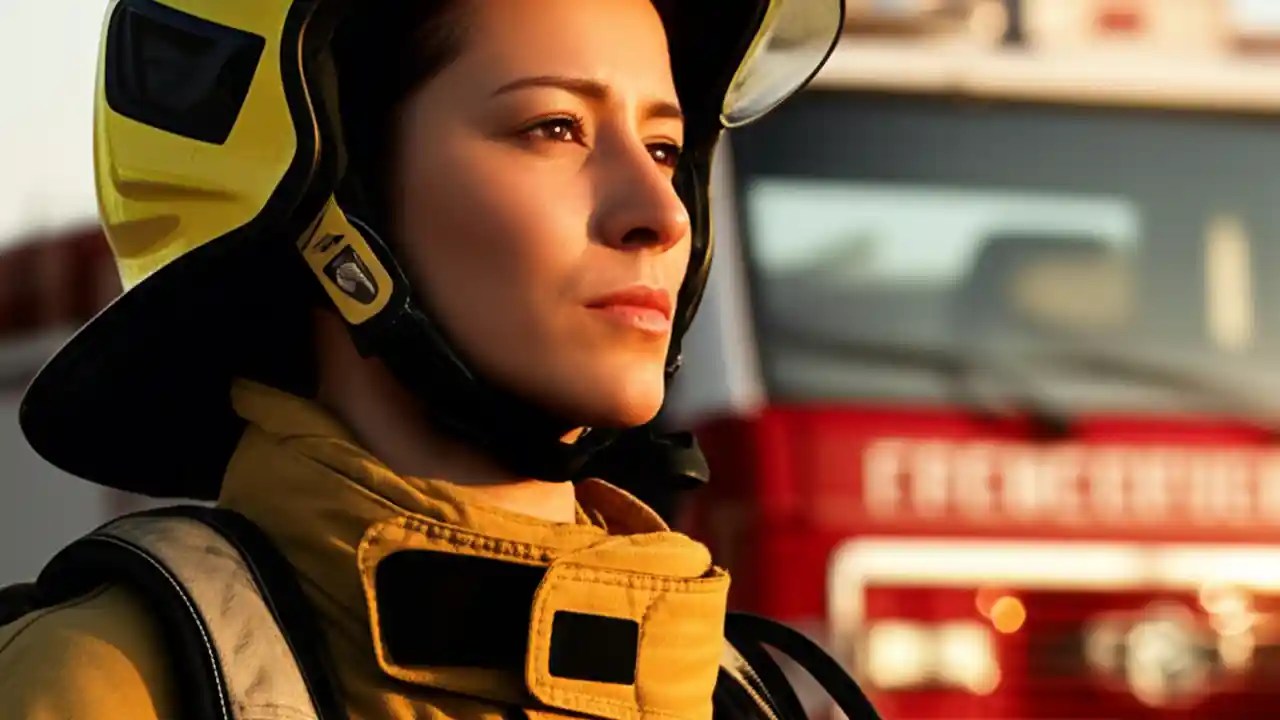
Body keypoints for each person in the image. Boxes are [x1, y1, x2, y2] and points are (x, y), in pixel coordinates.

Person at [0, 0, 861, 718]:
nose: (661, 215)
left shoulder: (741, 696)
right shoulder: (110, 686)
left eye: (666, 149)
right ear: (332, 203)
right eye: (555, 127)